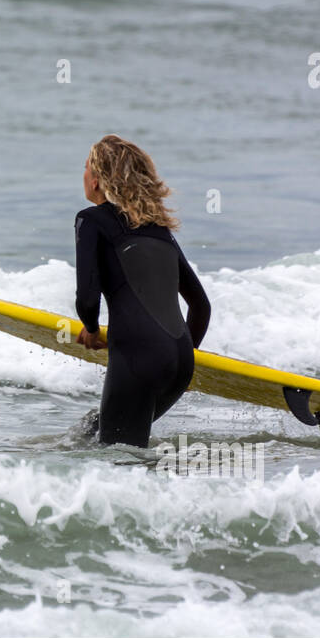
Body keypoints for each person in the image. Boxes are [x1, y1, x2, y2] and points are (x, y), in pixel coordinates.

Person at [74, 135, 210, 447]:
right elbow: (201, 307)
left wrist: (92, 330)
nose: (83, 175)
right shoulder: (159, 230)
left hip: (139, 358)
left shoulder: (90, 220)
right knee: (94, 433)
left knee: (118, 459)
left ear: (97, 180)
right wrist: (184, 358)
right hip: (180, 361)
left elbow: (87, 298)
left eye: (85, 168)